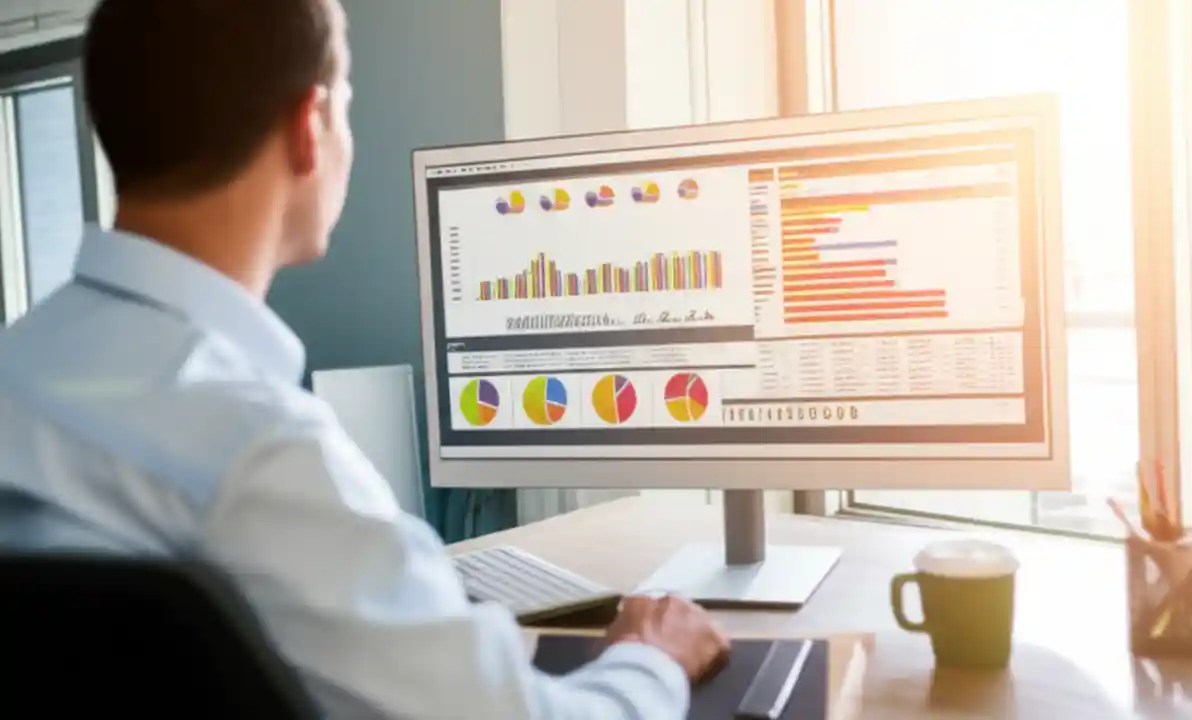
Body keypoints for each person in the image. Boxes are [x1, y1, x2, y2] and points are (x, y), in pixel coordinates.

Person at [0, 0, 728, 717]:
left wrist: (445, 644)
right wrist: (652, 658)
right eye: (346, 107)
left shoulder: (17, 373)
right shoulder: (257, 448)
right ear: (309, 127)